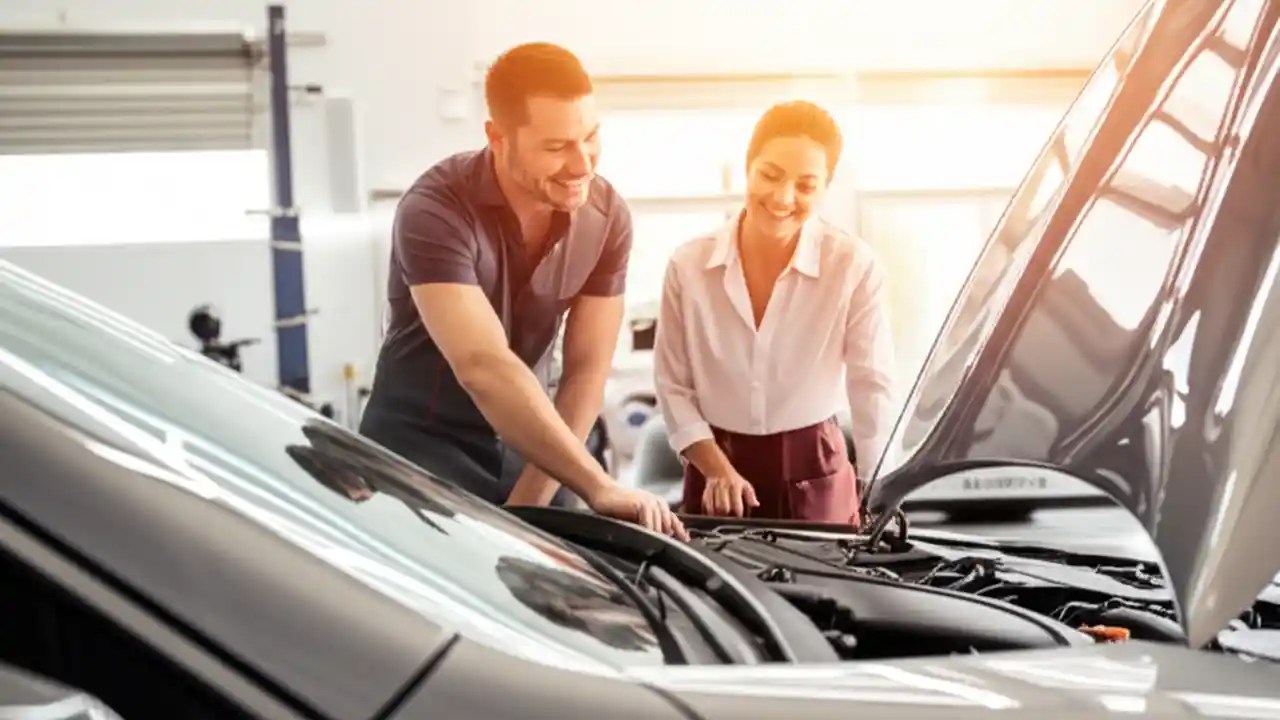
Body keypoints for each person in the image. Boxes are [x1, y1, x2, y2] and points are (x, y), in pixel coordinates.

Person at [359, 42, 686, 540]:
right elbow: (483, 365)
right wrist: (597, 485)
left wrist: (532, 507)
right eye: (556, 147)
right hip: (421, 446)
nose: (582, 165)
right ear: (498, 138)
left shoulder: (606, 216)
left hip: (538, 441)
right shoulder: (435, 209)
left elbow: (585, 371)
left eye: (591, 137)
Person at [653, 100, 895, 526]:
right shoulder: (687, 266)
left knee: (826, 590)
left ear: (826, 187)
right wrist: (717, 469)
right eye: (770, 175)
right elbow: (673, 386)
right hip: (715, 469)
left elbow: (872, 387)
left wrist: (881, 495)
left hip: (815, 467)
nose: (783, 197)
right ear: (747, 168)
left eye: (806, 185)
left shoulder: (853, 265)